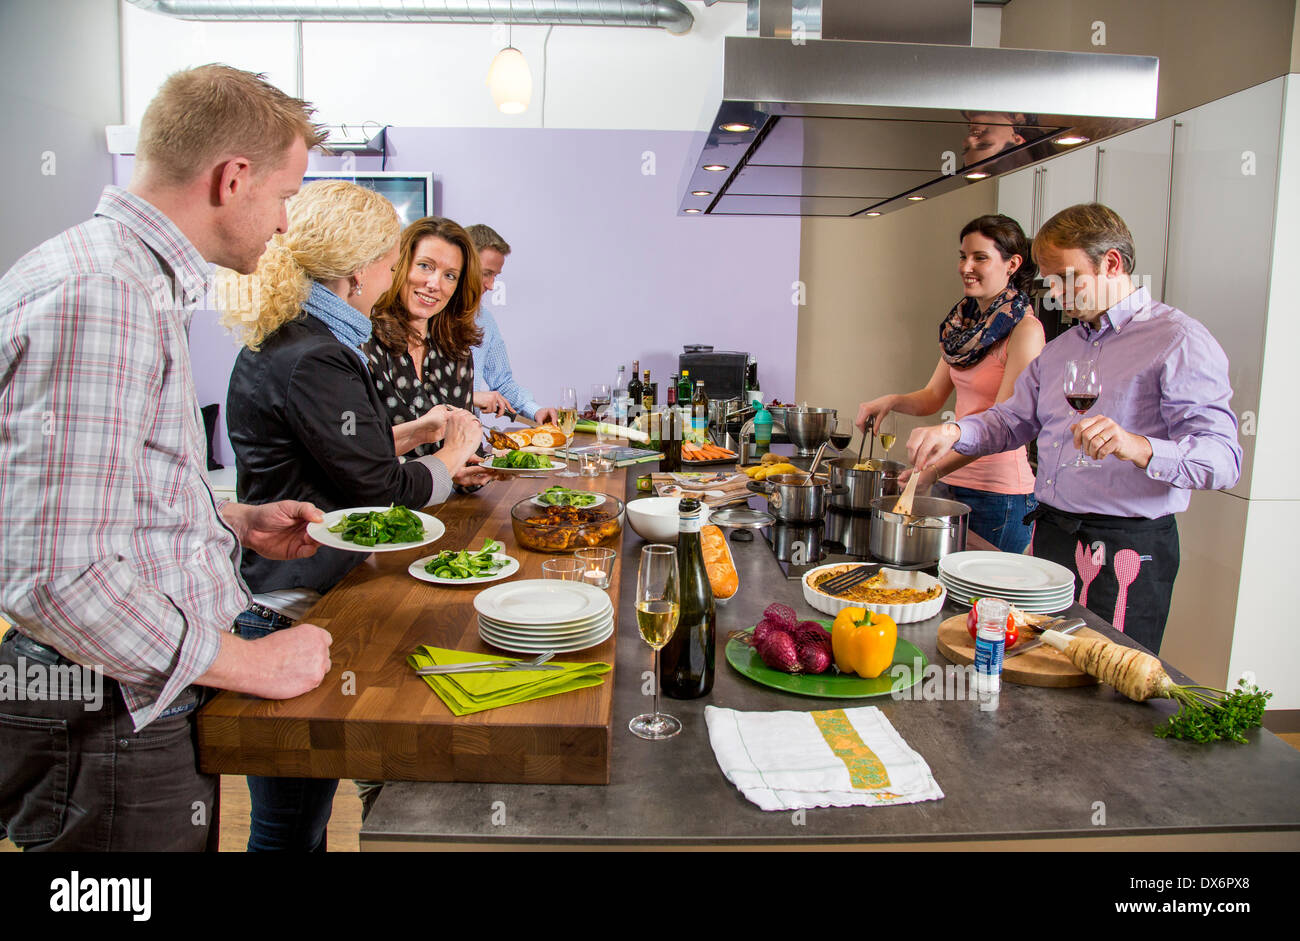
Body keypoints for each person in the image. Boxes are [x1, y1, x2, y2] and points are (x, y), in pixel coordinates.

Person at [0, 64, 334, 851]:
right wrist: (251, 663)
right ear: (233, 178)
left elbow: (95, 501)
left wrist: (229, 519)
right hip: (111, 709)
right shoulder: (105, 295)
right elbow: (56, 574)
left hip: (119, 700)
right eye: (286, 196)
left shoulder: (114, 274)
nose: (287, 223)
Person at [221, 181, 492, 851]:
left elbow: (337, 453)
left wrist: (412, 430)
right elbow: (380, 488)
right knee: (288, 829)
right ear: (354, 273)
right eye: (391, 258)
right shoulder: (317, 354)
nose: (398, 274)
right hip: (289, 604)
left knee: (300, 819)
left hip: (302, 595)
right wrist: (450, 452)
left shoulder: (303, 339)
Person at [907, 203, 1242, 654]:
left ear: (1112, 263)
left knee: (1110, 688)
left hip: (1127, 547)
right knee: (1042, 666)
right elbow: (1011, 421)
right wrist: (954, 433)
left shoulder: (1178, 340)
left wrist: (1138, 446)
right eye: (1050, 282)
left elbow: (1223, 461)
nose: (1057, 295)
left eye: (1067, 278)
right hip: (1054, 537)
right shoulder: (1064, 347)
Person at [856, 214, 1045, 552]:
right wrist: (892, 400)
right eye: (963, 256)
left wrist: (933, 472)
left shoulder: (1025, 331)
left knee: (989, 601)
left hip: (997, 494)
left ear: (1012, 264)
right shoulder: (964, 327)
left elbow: (1002, 425)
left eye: (980, 257)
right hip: (950, 482)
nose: (966, 266)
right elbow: (932, 397)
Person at [364, 217, 495, 454]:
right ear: (399, 265)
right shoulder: (364, 343)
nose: (434, 284)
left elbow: (464, 448)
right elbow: (355, 452)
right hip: (389, 490)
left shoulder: (457, 351)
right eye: (425, 266)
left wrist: (481, 465)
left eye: (450, 275)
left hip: (450, 492)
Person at [465, 224, 557, 424]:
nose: (490, 285)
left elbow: (502, 383)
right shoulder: (428, 317)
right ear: (463, 262)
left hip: (468, 445)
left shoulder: (484, 321)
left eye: (495, 276)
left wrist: (535, 410)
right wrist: (472, 397)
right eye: (485, 273)